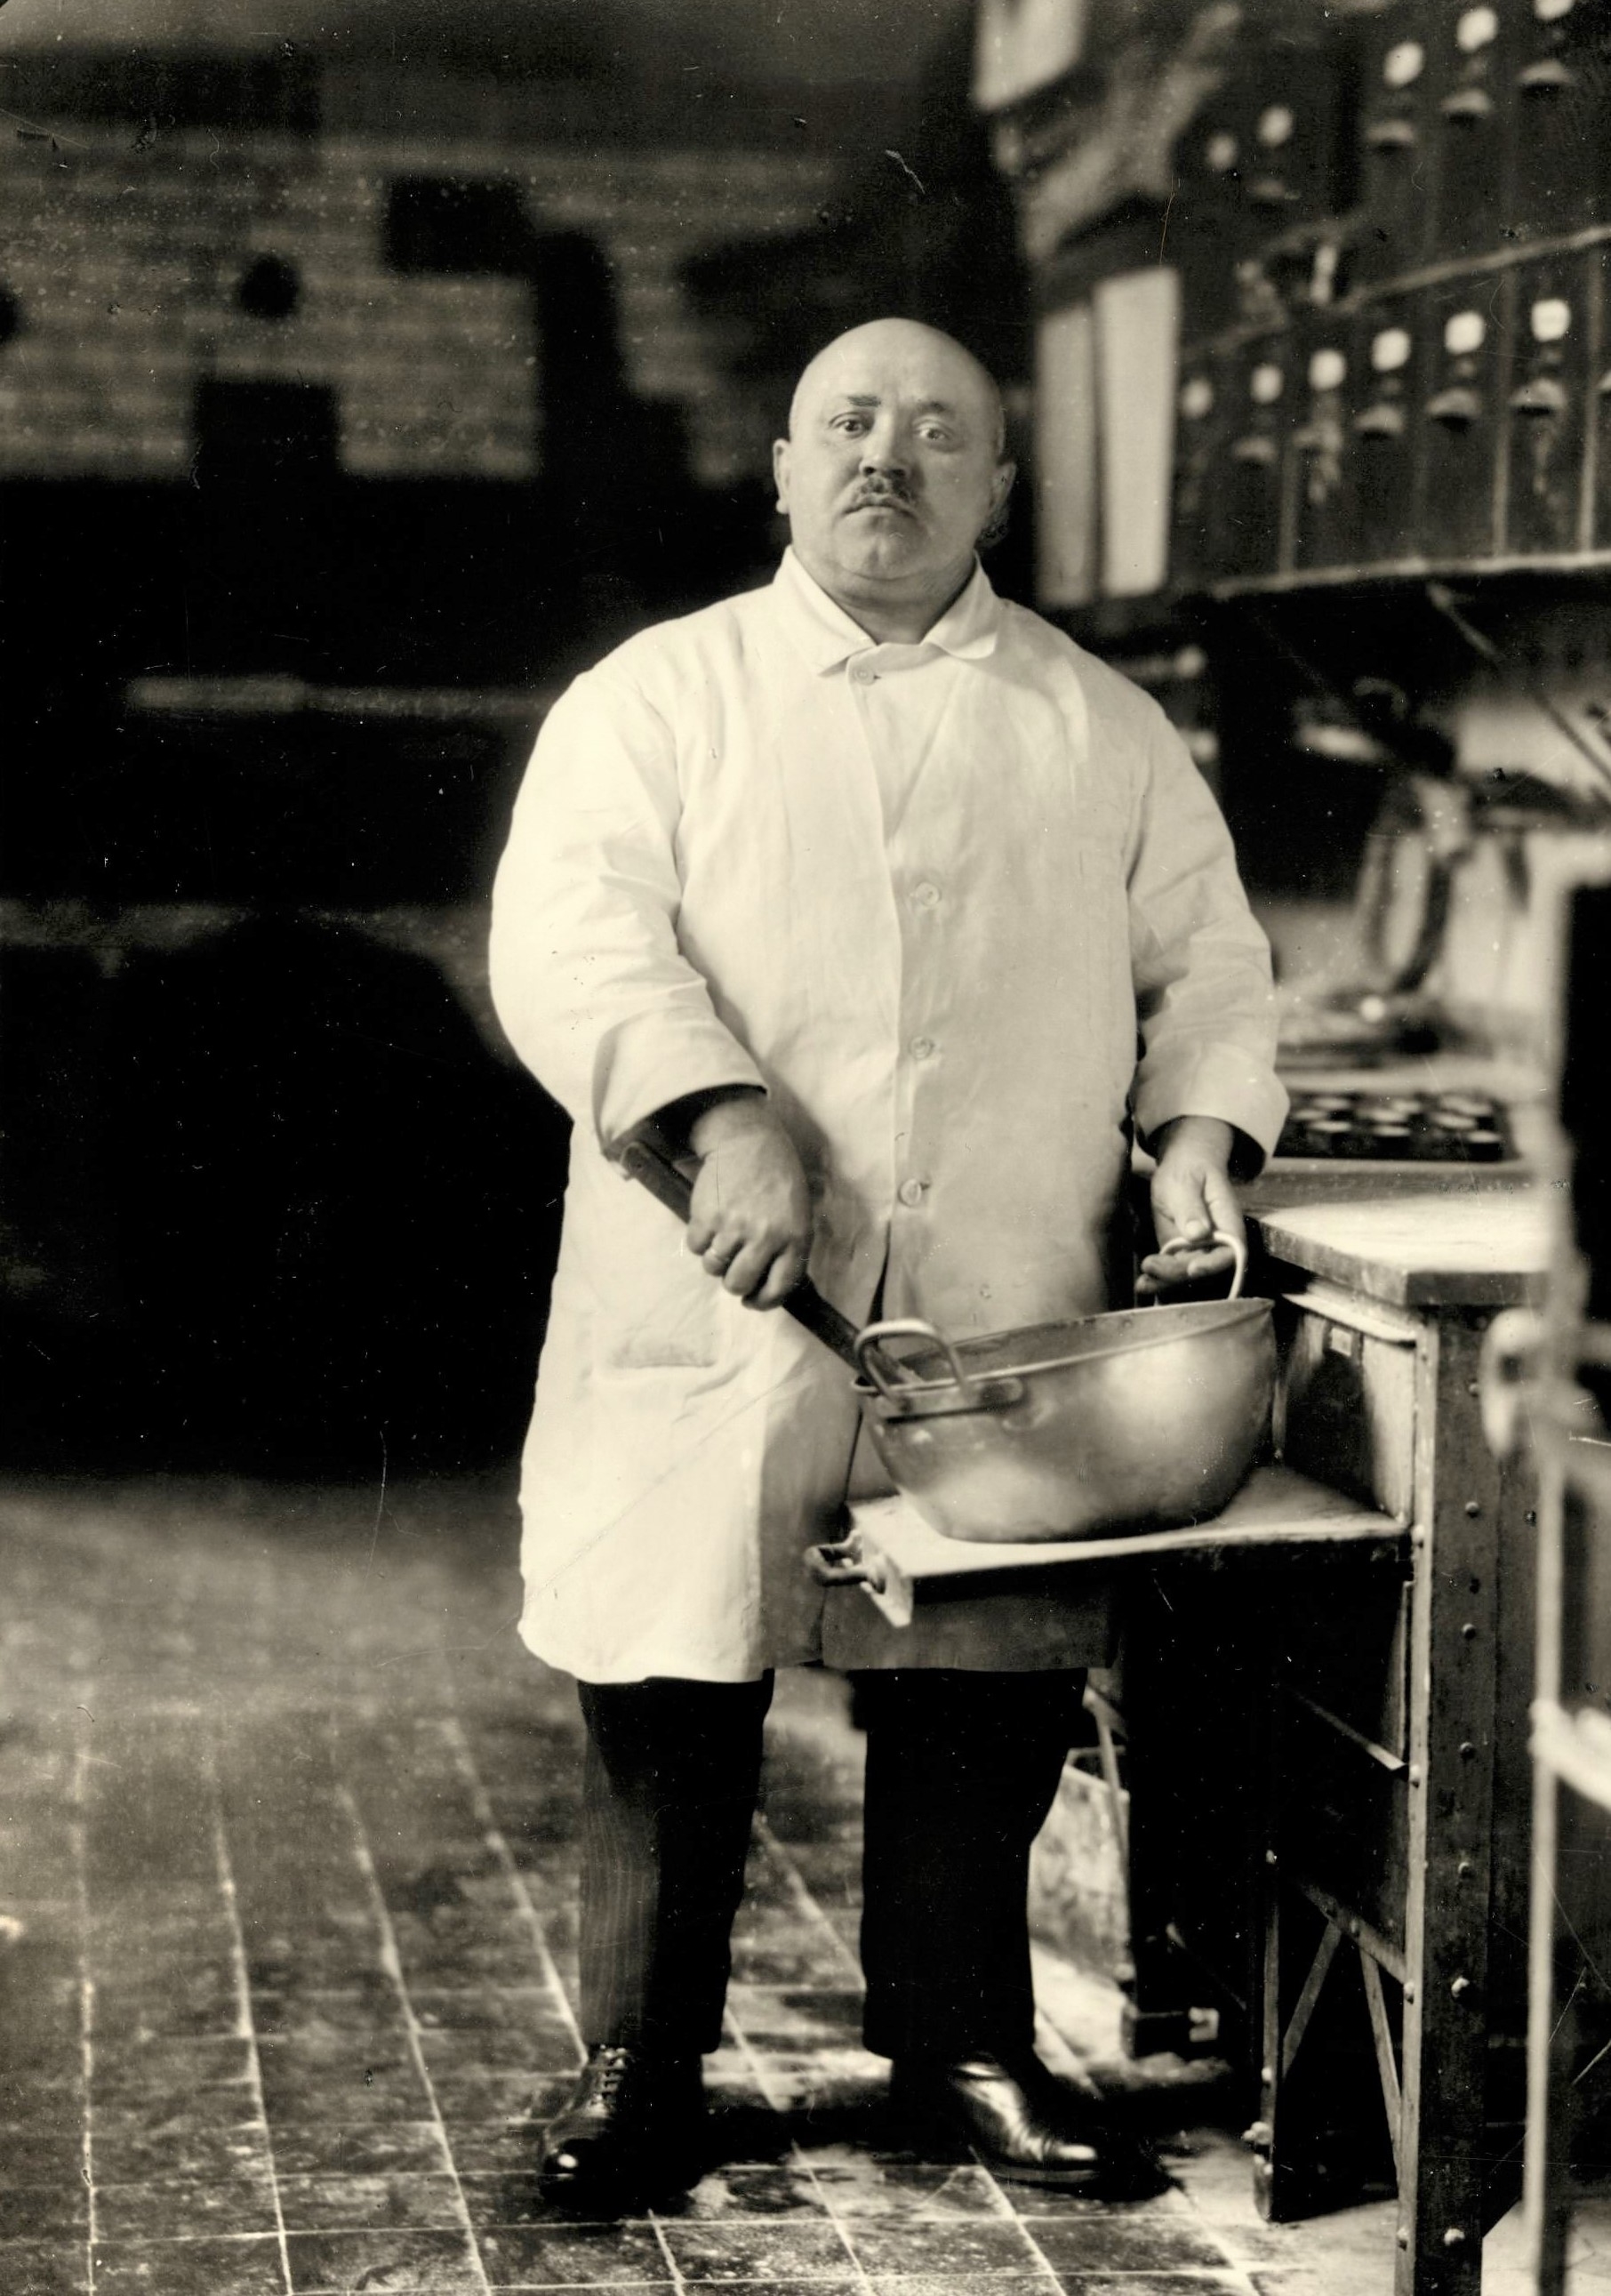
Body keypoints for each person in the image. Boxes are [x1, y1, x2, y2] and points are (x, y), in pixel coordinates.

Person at [488, 317, 1286, 2210]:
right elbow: (573, 943)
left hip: (998, 1291)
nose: (889, 461)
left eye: (942, 433)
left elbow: (1214, 970)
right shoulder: (658, 699)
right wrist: (720, 1112)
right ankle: (646, 2061)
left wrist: (1193, 1142)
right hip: (720, 1287)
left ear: (999, 486)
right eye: (849, 422)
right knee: (673, 1678)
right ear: (780, 464)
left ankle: (958, 2045)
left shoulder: (1097, 722)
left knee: (982, 1683)